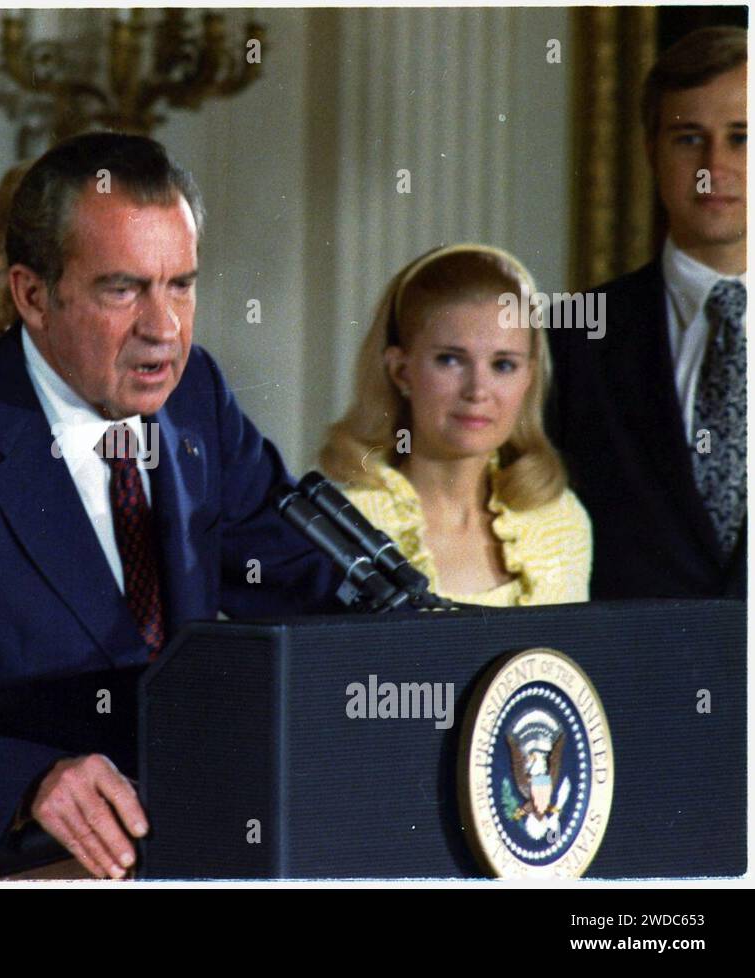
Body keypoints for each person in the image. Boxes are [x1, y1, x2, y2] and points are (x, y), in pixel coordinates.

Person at [0, 131, 341, 879]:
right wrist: (31, 782)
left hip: (182, 850)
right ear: (31, 294)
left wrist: (433, 646)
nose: (164, 328)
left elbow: (306, 581)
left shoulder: (196, 401)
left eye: (181, 284)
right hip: (6, 862)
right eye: (123, 289)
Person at [547, 26, 747, 600]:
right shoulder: (569, 336)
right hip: (632, 678)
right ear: (649, 150)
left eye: (741, 137)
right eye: (689, 138)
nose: (714, 165)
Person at [320, 244, 592, 607]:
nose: (477, 390)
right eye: (450, 360)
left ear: (529, 376)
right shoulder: (344, 527)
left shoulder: (559, 521)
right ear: (401, 371)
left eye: (503, 365)